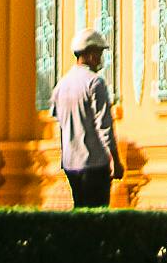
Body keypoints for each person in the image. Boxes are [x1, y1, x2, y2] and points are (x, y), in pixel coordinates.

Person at [49, 33, 123, 207]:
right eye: (98, 54)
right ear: (90, 54)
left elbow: (59, 119)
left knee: (80, 213)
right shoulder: (95, 83)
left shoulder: (62, 84)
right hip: (94, 162)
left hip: (70, 162)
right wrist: (115, 160)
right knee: (97, 216)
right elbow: (104, 126)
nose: (100, 60)